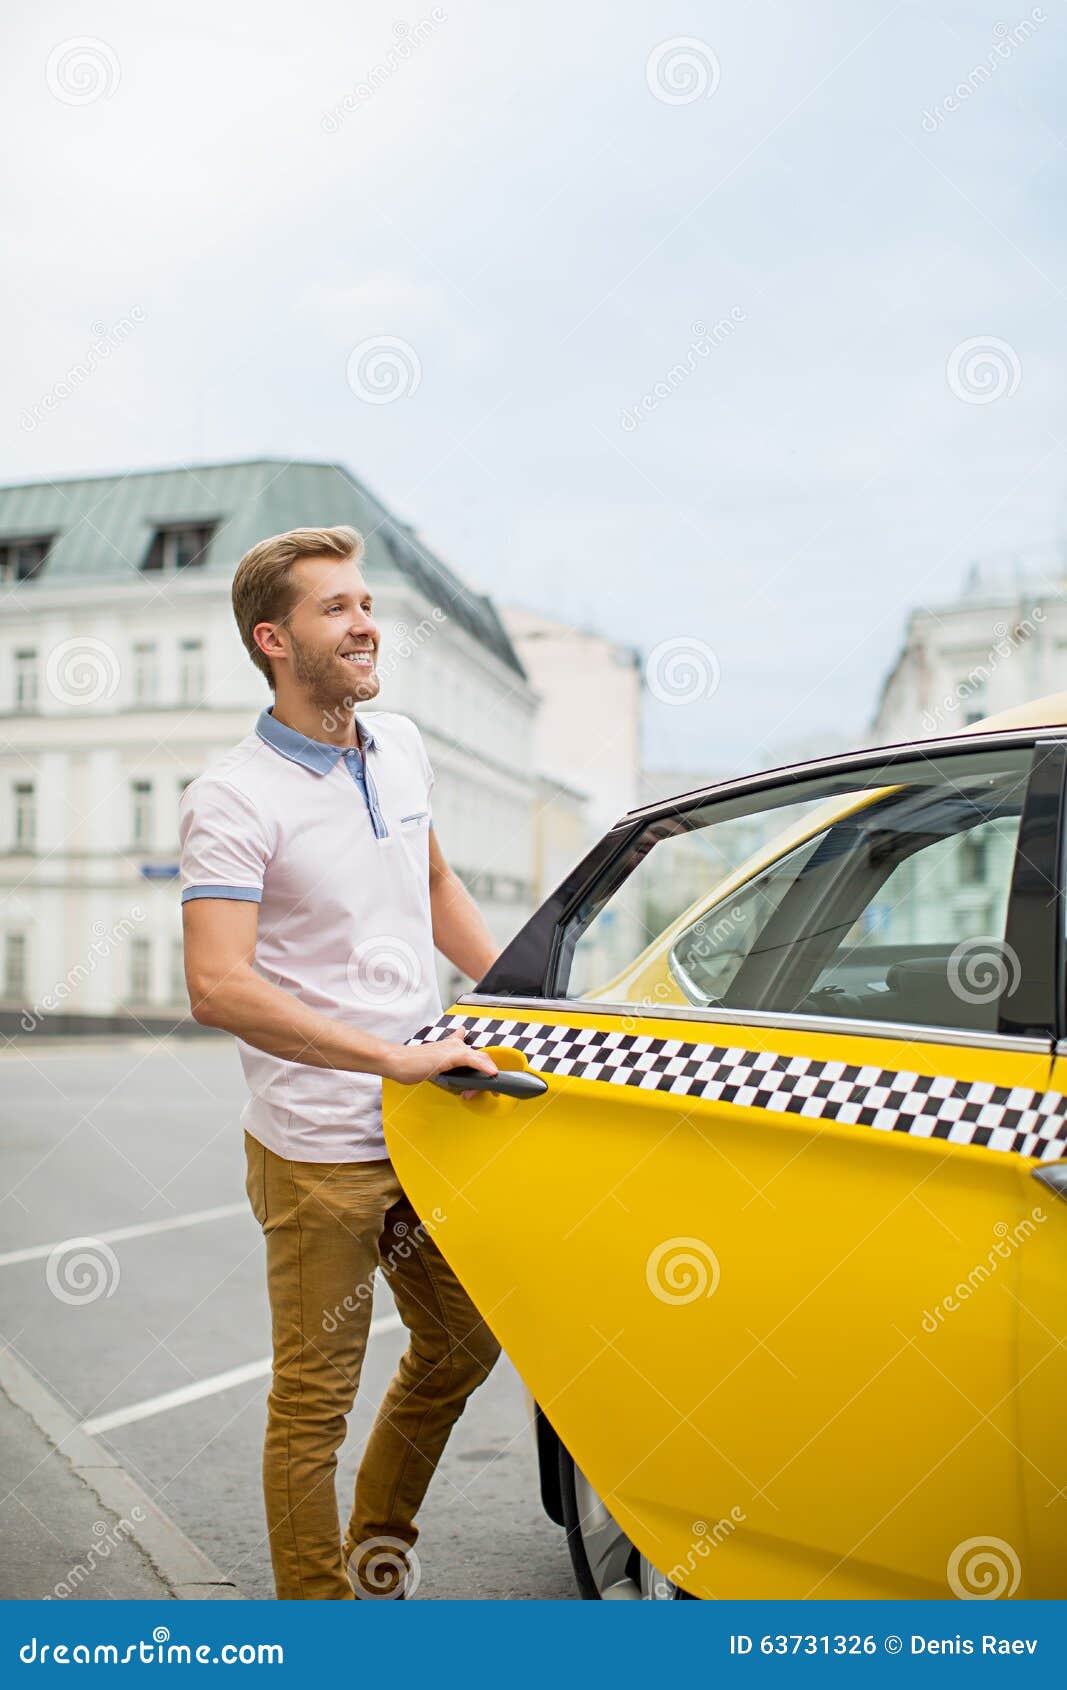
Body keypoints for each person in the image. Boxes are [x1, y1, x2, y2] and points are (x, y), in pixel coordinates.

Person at [179, 524, 501, 1599]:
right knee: (311, 1405)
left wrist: (521, 996)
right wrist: (385, 1059)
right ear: (274, 640)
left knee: (462, 1343)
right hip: (318, 1151)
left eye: (365, 604)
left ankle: (374, 1557)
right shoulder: (231, 797)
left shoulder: (398, 744)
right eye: (336, 608)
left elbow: (437, 883)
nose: (365, 623)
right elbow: (217, 984)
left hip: (420, 1128)